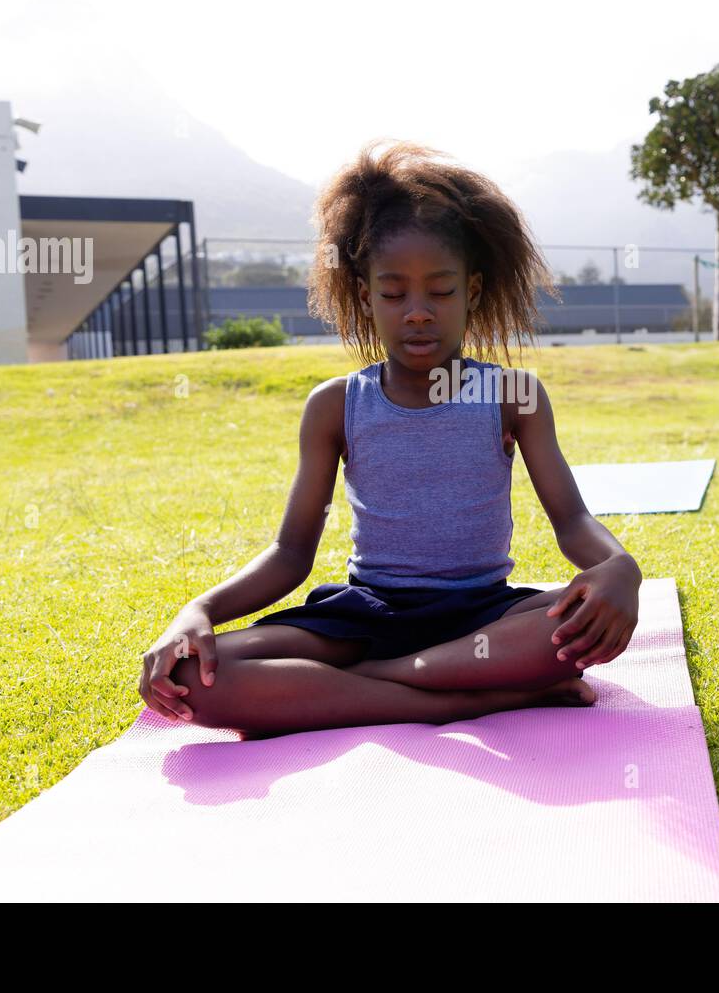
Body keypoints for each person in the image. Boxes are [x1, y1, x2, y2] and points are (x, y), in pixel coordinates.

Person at [138, 139, 642, 739]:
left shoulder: (514, 395)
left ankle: (369, 688)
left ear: (473, 292)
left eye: (441, 290)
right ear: (364, 295)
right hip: (365, 619)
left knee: (577, 626)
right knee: (193, 676)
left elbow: (572, 519)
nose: (419, 312)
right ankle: (459, 699)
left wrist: (620, 568)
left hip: (482, 618)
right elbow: (290, 555)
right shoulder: (334, 406)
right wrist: (196, 612)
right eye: (394, 292)